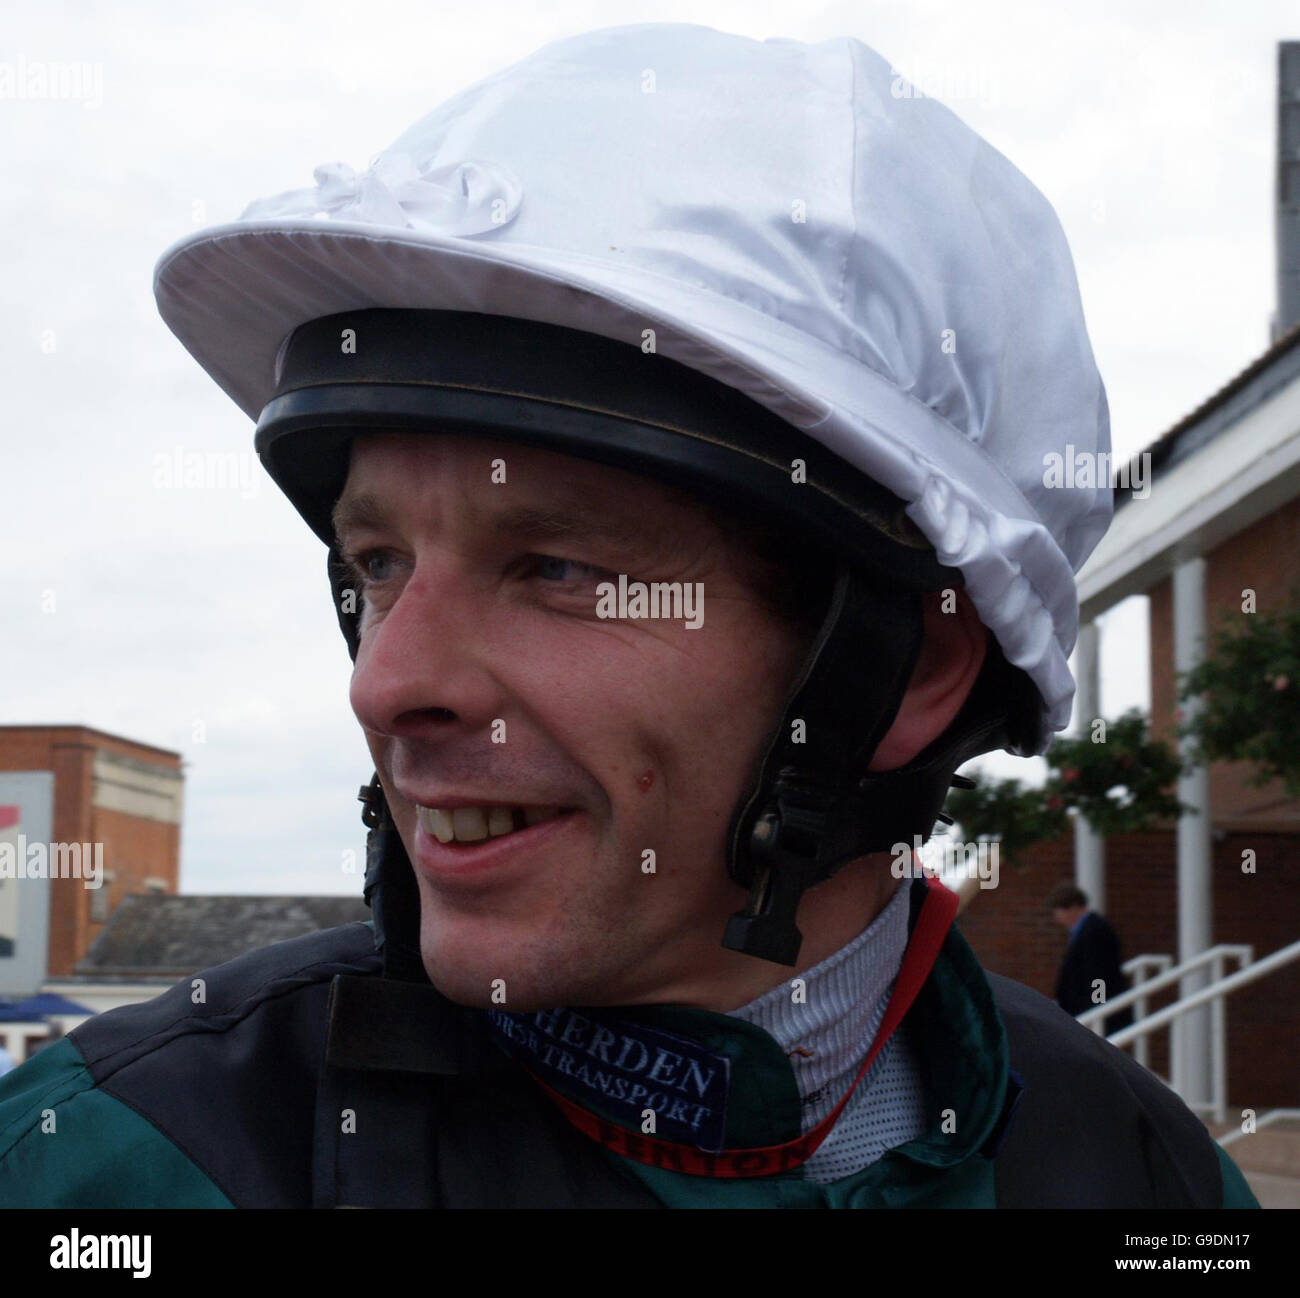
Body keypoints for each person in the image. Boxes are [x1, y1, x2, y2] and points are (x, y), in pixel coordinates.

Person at [0, 23, 1256, 1208]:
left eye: (555, 568)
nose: (387, 684)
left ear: (907, 666)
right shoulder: (125, 1162)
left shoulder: (1145, 1172)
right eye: (378, 561)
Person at [1049, 884, 1135, 1034]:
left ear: (1074, 907)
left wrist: (1097, 1006)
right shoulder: (1086, 930)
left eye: (1061, 912)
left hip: (1093, 1011)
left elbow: (1098, 975)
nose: (1058, 919)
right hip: (1081, 1010)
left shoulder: (1094, 931)